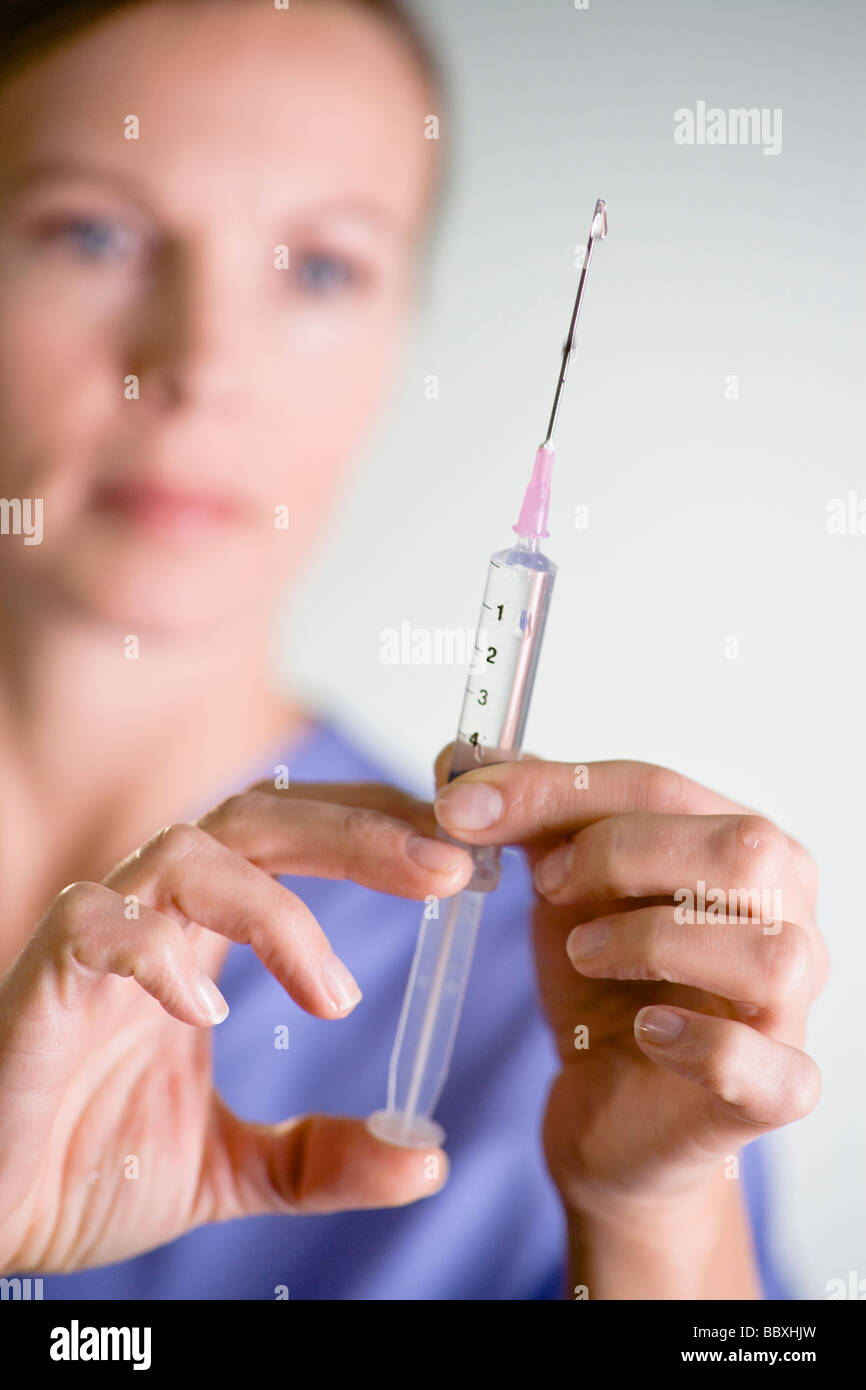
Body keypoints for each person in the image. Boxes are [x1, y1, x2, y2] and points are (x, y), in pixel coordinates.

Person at [0, 0, 826, 1300]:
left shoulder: (582, 1004)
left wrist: (651, 1230)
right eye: (93, 232)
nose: (202, 360)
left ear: (396, 337)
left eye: (320, 266)